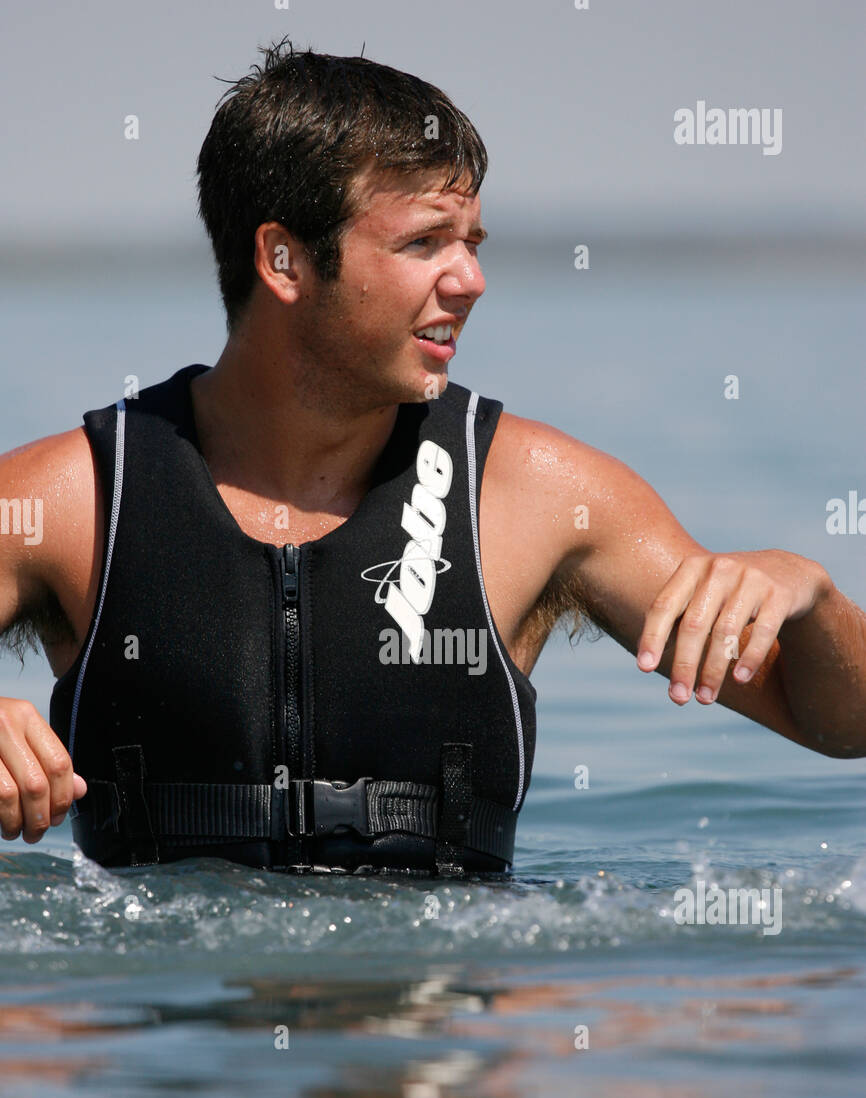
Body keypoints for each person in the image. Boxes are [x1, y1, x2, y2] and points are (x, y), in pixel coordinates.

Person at [0, 41, 863, 875]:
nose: (469, 280)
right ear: (283, 258)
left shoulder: (544, 498)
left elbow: (842, 726)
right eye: (424, 243)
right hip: (161, 1014)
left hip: (455, 1011)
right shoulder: (72, 500)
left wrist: (810, 595)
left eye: (473, 243)